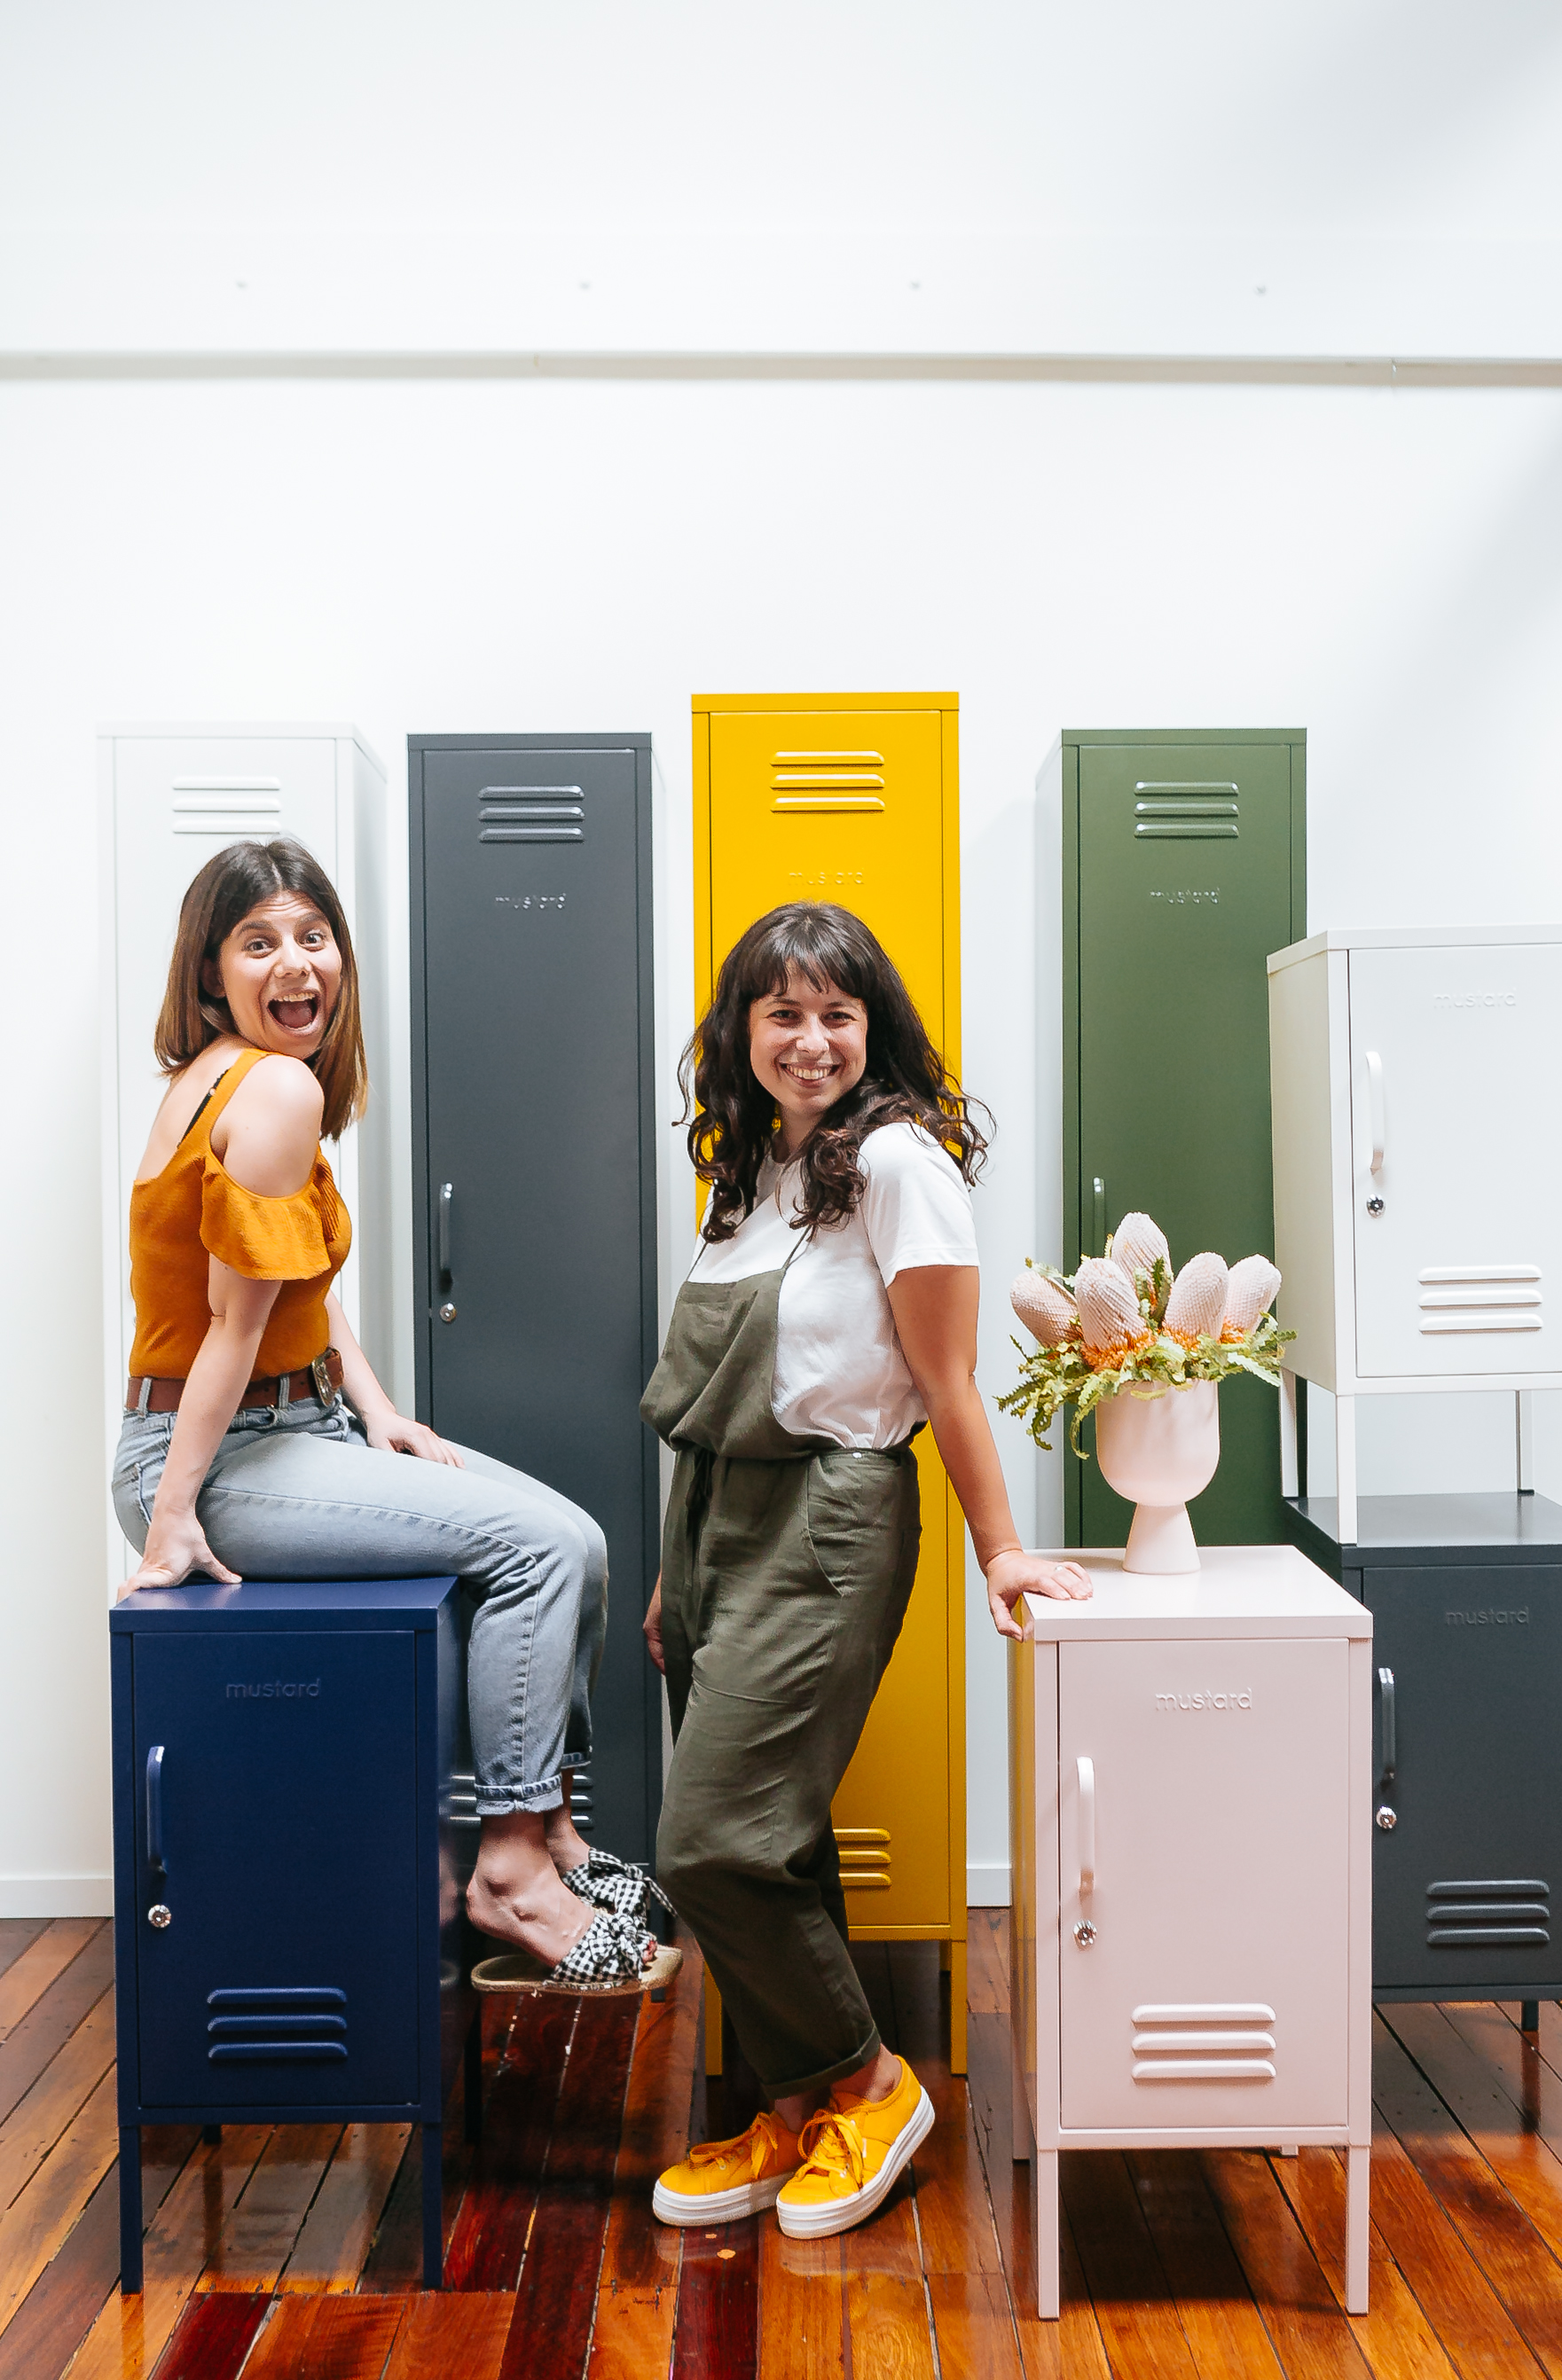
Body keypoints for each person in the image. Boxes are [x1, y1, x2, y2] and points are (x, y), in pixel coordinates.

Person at [113, 837, 658, 1985]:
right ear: (211, 970)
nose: (296, 963)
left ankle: (551, 1827)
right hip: (220, 1459)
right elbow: (232, 1328)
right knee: (538, 1550)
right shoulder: (274, 1087)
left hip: (293, 1430)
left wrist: (378, 1411)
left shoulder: (248, 1078)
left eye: (314, 937)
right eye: (259, 942)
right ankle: (510, 1866)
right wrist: (171, 1517)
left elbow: (297, 1287)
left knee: (580, 1542)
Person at [643, 901, 1091, 2240]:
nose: (810, 1040)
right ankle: (797, 2113)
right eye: (781, 1012)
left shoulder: (899, 1162)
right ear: (741, 1031)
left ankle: (870, 2082)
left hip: (830, 1516)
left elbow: (948, 1381)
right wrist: (676, 1571)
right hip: (716, 1515)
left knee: (710, 1840)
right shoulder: (750, 1172)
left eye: (836, 1013)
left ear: (872, 1027)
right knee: (775, 1837)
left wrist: (1000, 1551)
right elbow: (713, 1398)